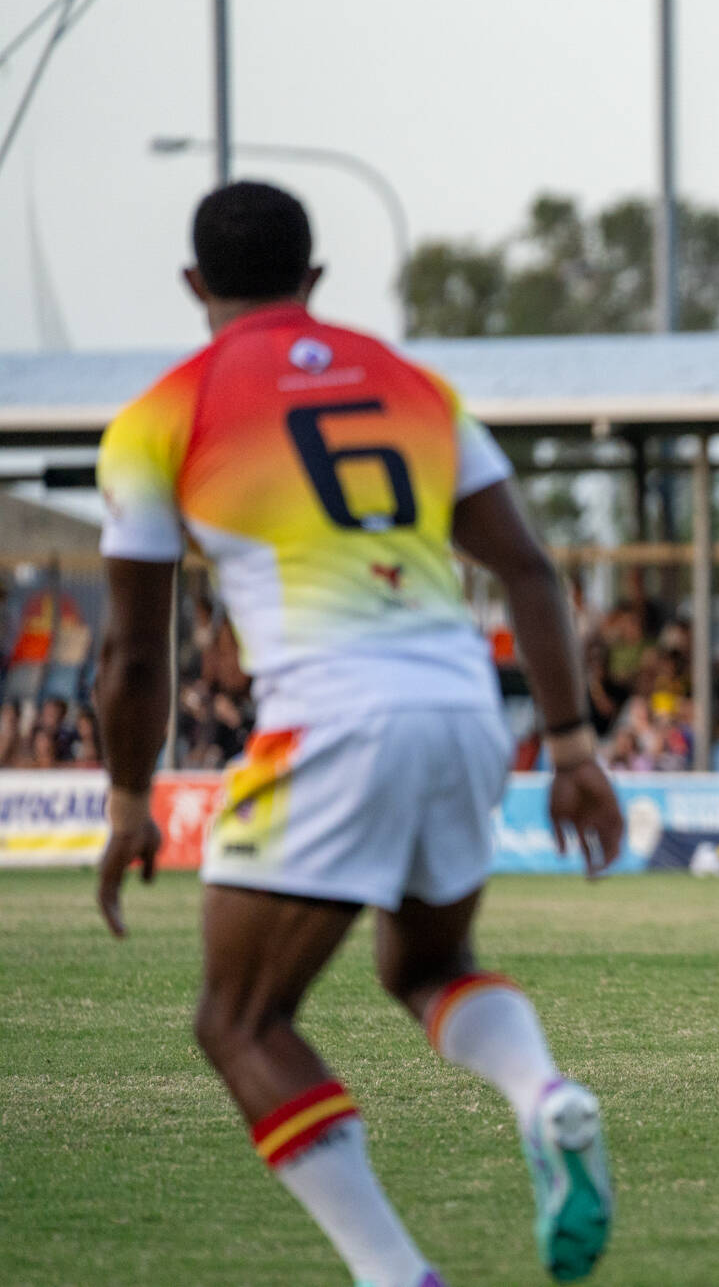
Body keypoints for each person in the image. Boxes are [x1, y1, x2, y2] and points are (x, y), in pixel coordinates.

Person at [92, 183, 623, 1287]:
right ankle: (543, 1094)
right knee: (426, 963)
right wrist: (572, 750)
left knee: (239, 1020)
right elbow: (527, 566)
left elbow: (135, 656)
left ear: (195, 285)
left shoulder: (158, 418)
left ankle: (395, 1276)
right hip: (461, 709)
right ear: (316, 279)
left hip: (328, 719)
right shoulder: (413, 385)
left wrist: (129, 798)